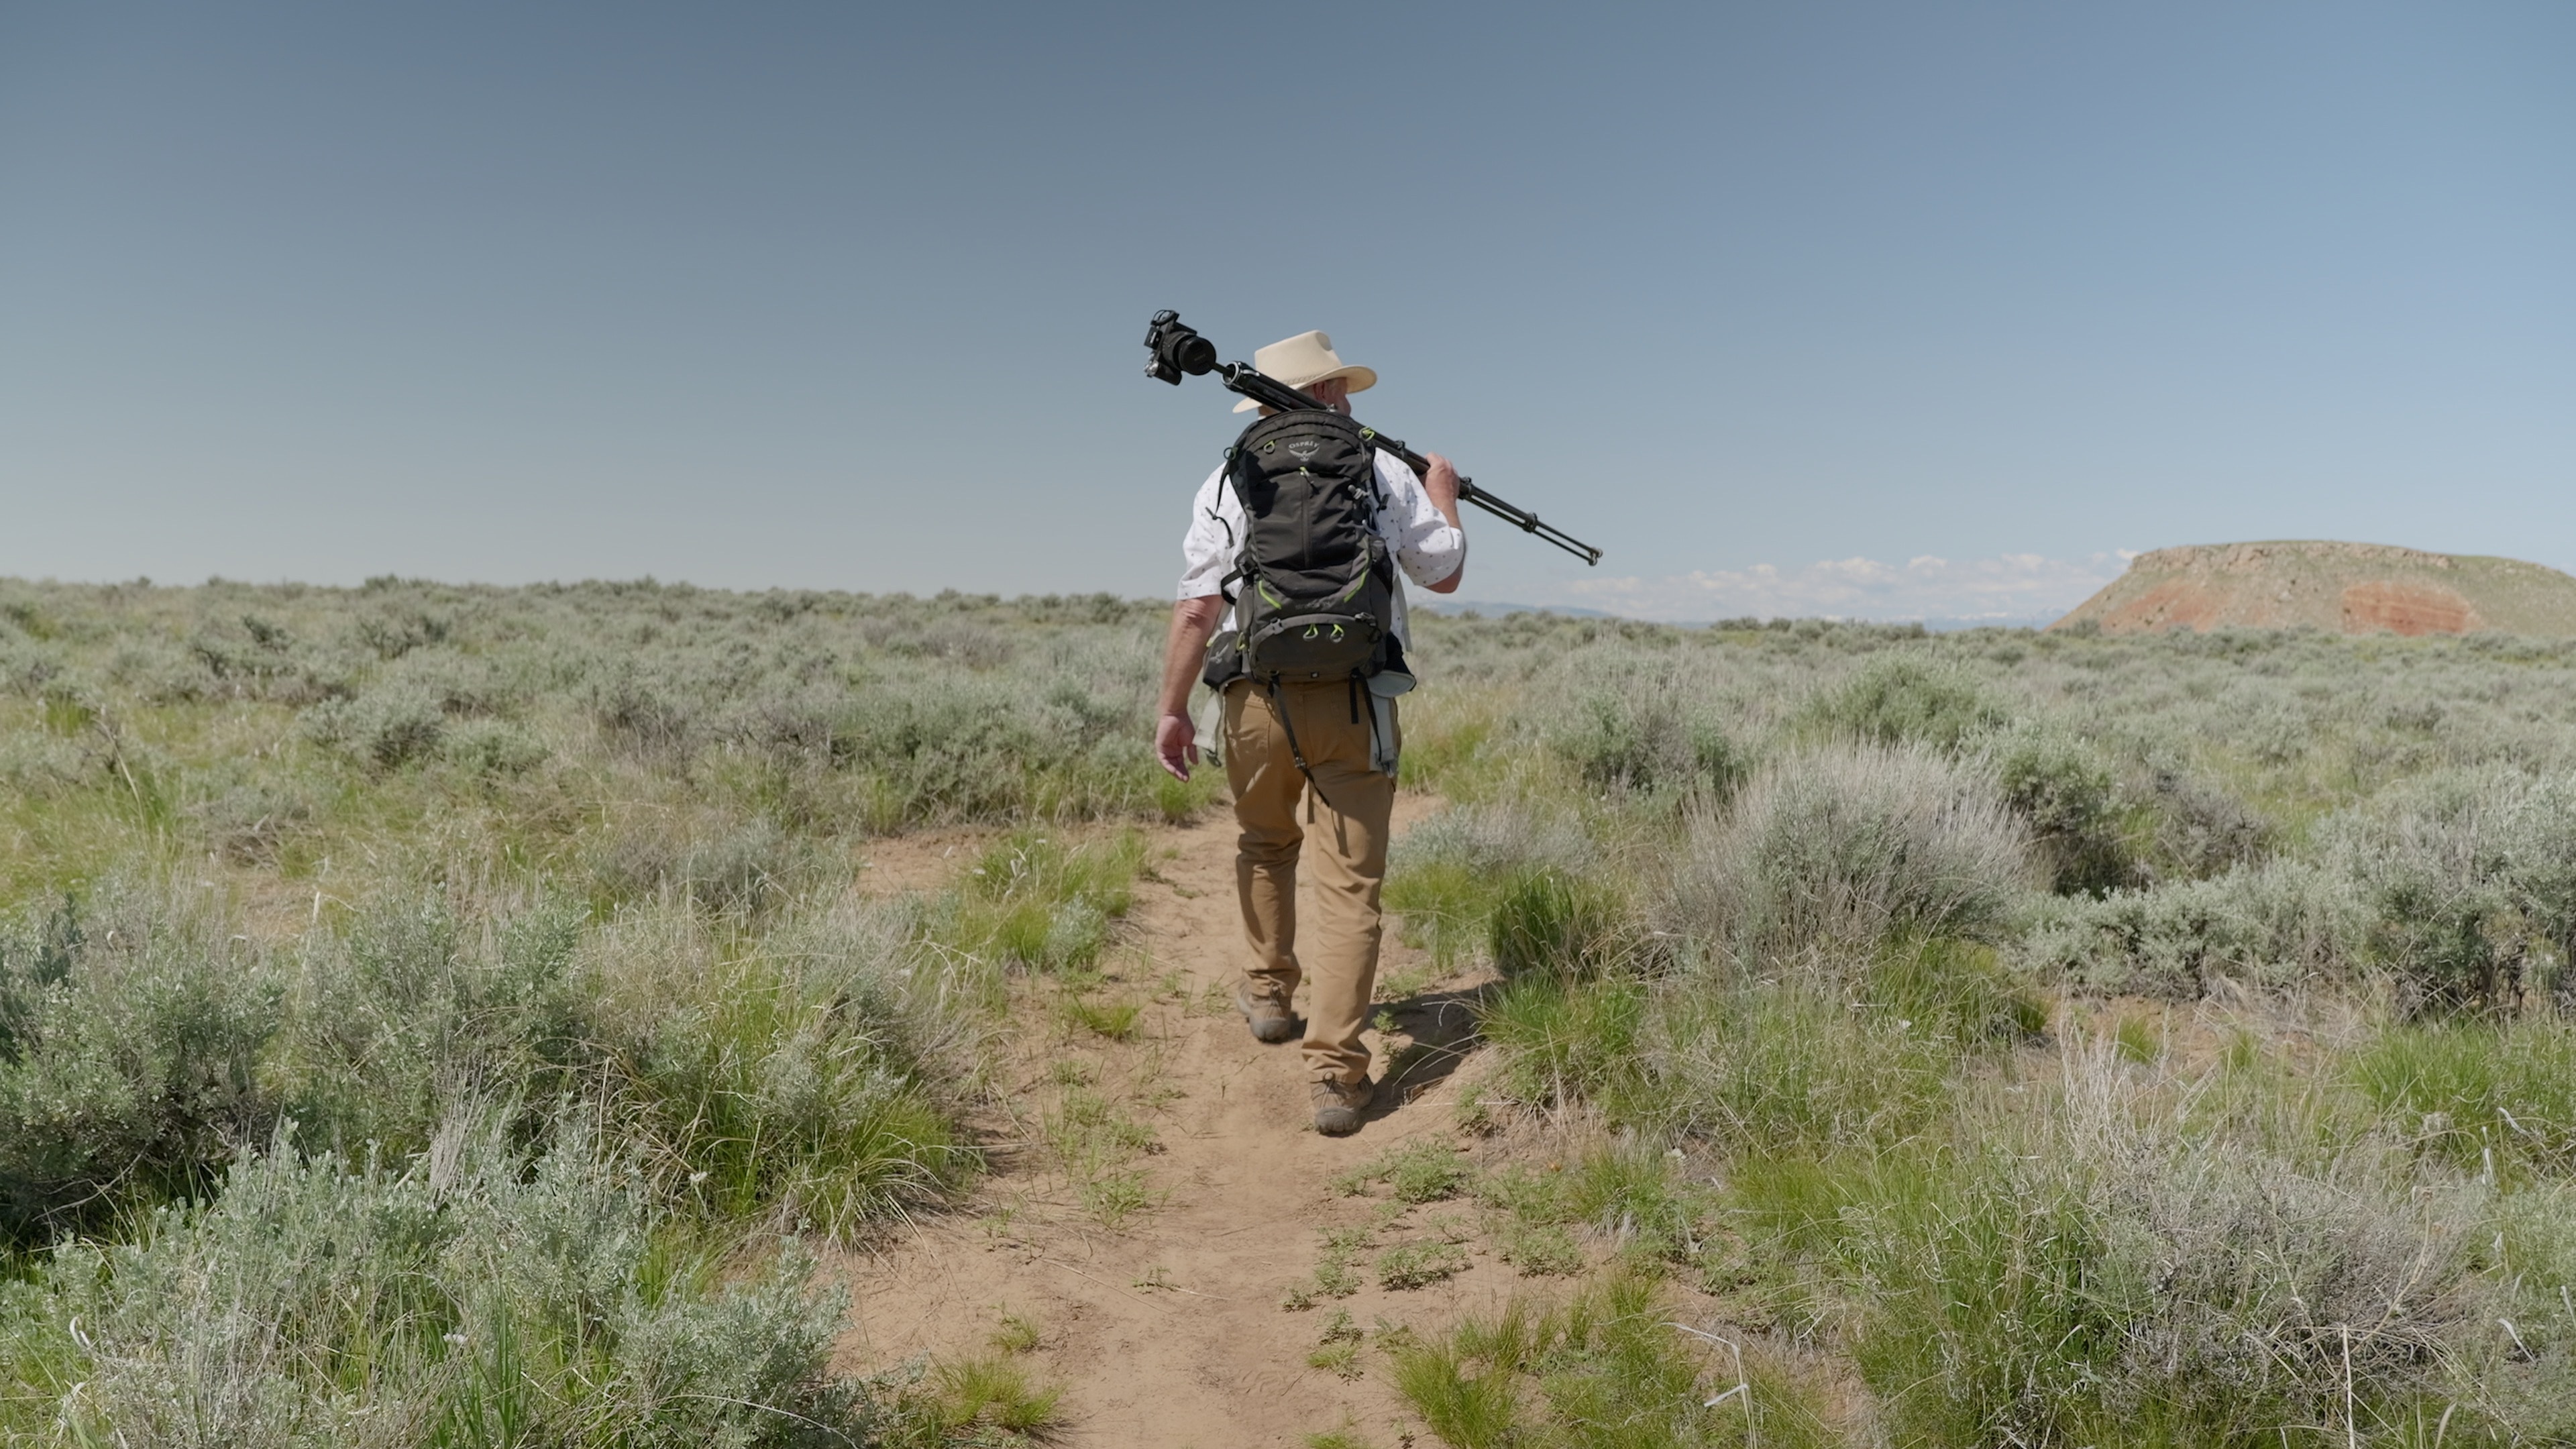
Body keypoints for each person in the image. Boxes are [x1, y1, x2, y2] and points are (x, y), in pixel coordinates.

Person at [1151, 329, 1467, 1136]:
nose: (1351, 401)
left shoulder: (1231, 473)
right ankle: (1335, 1073)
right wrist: (1444, 494)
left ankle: (1268, 991)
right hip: (1356, 699)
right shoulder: (1381, 468)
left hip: (1257, 698)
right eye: (1341, 388)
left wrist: (1174, 708)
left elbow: (1198, 606)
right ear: (1325, 394)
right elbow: (1444, 572)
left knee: (1264, 844)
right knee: (1351, 884)